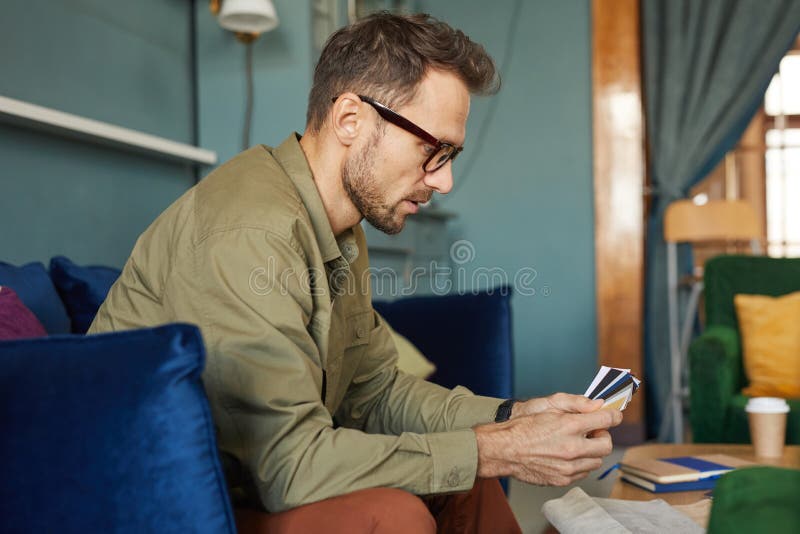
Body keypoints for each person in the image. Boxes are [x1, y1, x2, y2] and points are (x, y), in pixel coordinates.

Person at [89, 12, 622, 533]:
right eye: (433, 150)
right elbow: (290, 465)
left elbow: (376, 392)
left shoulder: (339, 229)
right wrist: (493, 448)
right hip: (153, 503)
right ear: (351, 120)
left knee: (465, 477)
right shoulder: (251, 234)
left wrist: (514, 418)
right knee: (395, 513)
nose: (446, 181)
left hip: (249, 482)